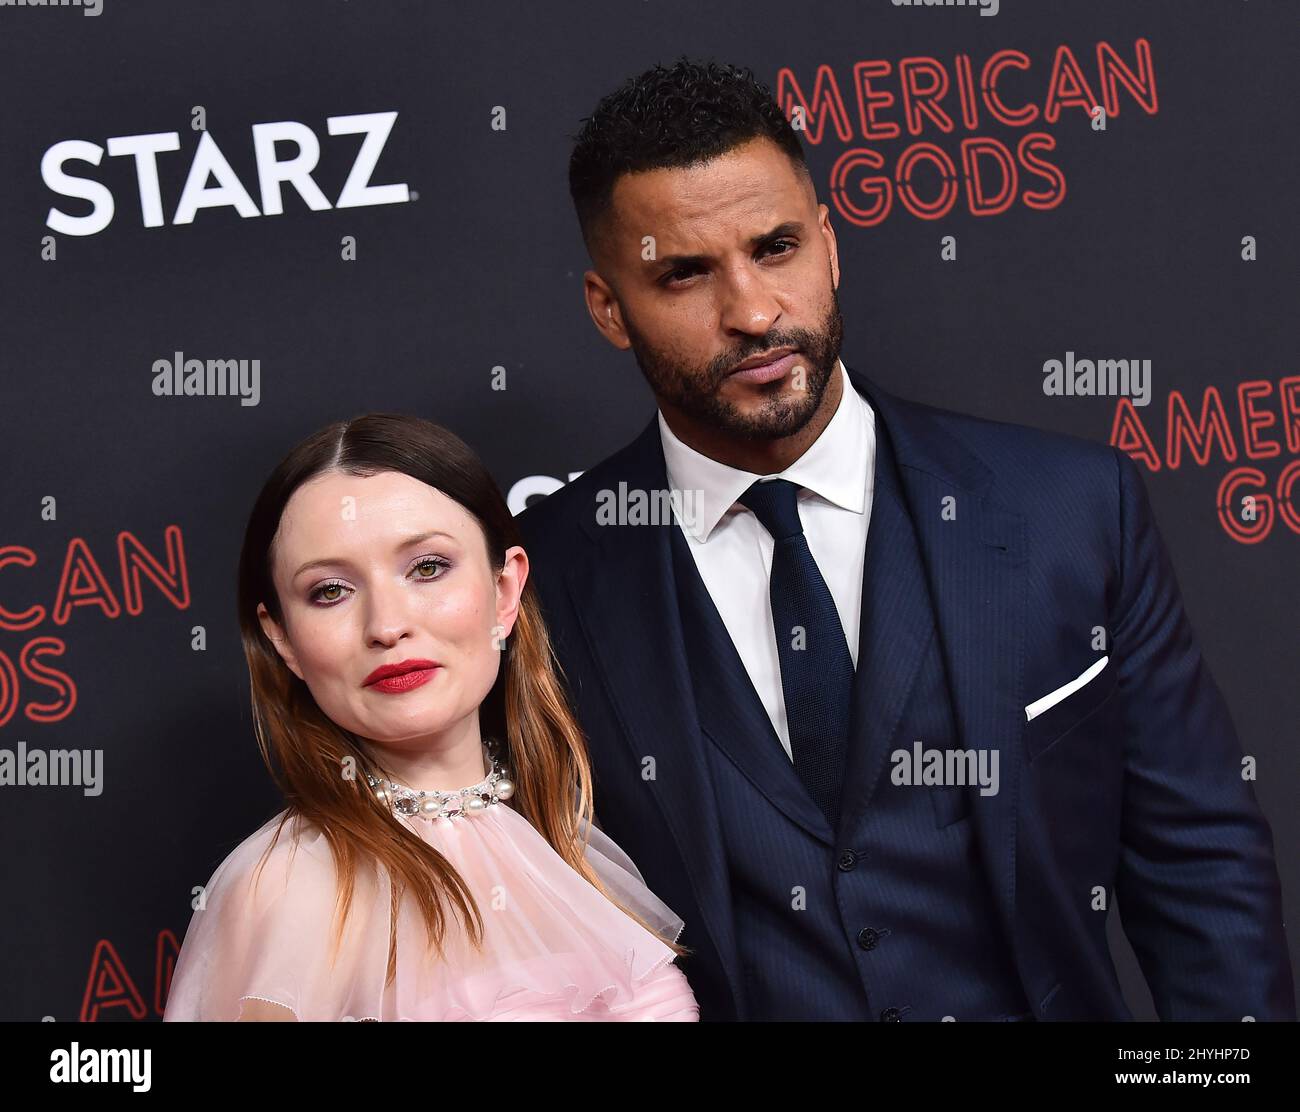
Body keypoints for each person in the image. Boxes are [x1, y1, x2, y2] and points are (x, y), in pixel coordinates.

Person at [514, 57, 1296, 1021]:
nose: (754, 313)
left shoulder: (1068, 508)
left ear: (831, 247)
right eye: (684, 274)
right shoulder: (537, 575)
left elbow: (1201, 867)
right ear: (608, 307)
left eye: (777, 247)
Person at [162, 413, 699, 1021]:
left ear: (504, 592)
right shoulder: (293, 884)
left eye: (427, 568)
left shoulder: (556, 836)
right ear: (283, 639)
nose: (387, 625)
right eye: (331, 591)